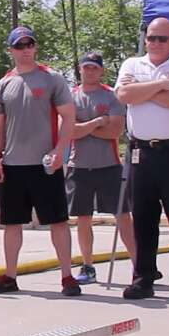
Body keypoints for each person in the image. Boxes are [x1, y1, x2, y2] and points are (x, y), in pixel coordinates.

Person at [0, 27, 80, 296]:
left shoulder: (52, 78)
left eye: (30, 44)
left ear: (35, 47)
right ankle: (10, 276)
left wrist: (60, 151)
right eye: (20, 45)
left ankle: (67, 276)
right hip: (12, 166)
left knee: (58, 221)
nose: (26, 49)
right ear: (11, 50)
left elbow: (68, 117)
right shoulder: (3, 84)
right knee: (12, 223)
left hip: (45, 165)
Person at [115, 17, 169, 301]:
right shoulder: (132, 64)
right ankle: (143, 278)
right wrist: (160, 86)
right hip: (141, 152)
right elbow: (123, 95)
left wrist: (142, 89)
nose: (155, 43)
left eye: (162, 38)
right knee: (143, 219)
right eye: (151, 38)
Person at [67, 51, 135, 284]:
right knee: (83, 219)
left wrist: (83, 127)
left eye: (94, 67)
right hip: (79, 167)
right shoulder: (70, 96)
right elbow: (68, 131)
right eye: (86, 67)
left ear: (101, 71)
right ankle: (87, 266)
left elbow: (114, 131)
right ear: (80, 69)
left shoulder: (112, 96)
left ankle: (139, 266)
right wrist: (98, 122)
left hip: (109, 166)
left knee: (123, 216)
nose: (90, 71)